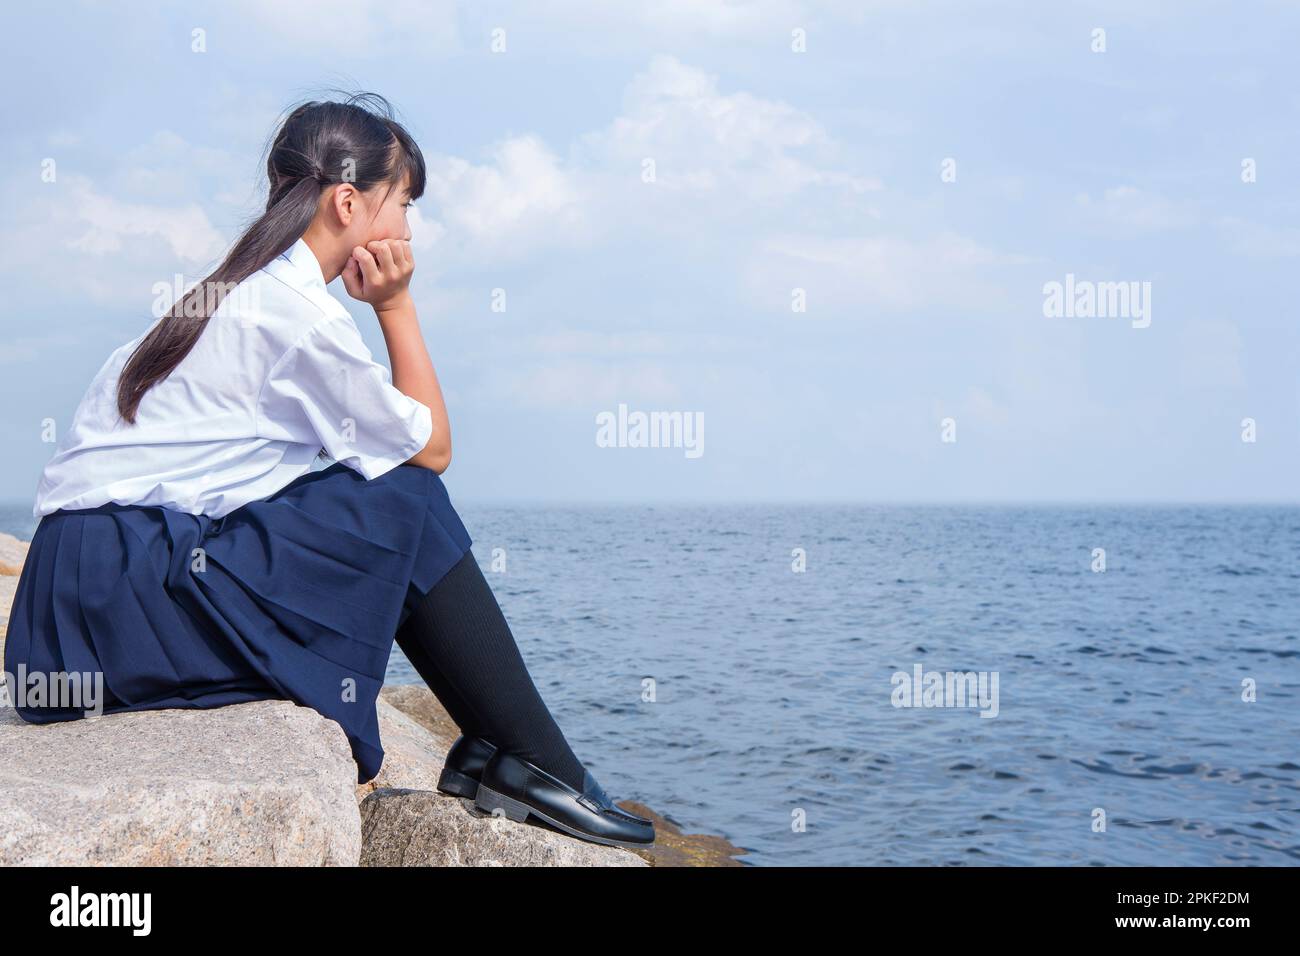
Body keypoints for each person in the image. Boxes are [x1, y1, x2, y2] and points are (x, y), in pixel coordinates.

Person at [1, 92, 653, 850]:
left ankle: (505, 752)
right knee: (409, 494)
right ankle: (537, 763)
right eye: (402, 202)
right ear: (349, 202)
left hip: (74, 608)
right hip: (111, 605)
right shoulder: (291, 314)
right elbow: (431, 449)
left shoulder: (230, 292)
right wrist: (397, 306)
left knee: (394, 498)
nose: (407, 228)